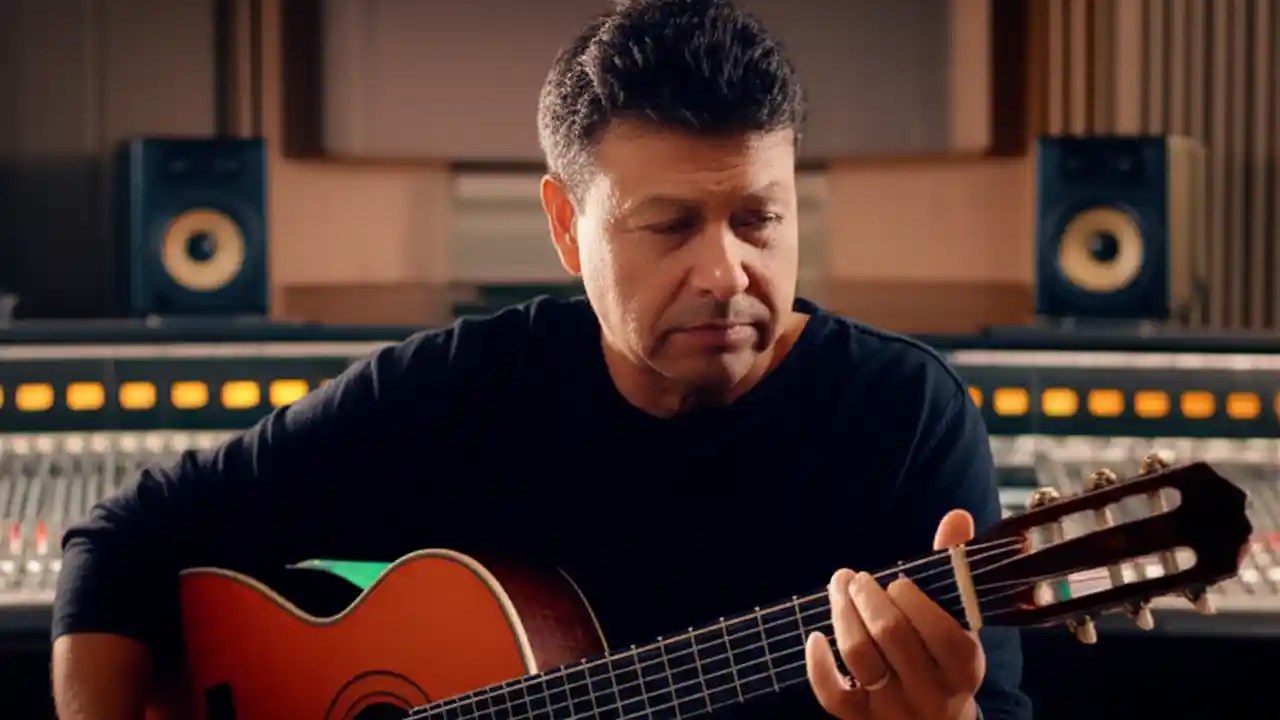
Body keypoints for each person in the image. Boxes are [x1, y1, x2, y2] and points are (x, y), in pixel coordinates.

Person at [50, 1, 1033, 718]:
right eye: (670, 225)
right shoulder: (463, 390)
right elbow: (125, 543)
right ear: (567, 228)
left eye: (757, 219)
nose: (725, 270)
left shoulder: (902, 420)